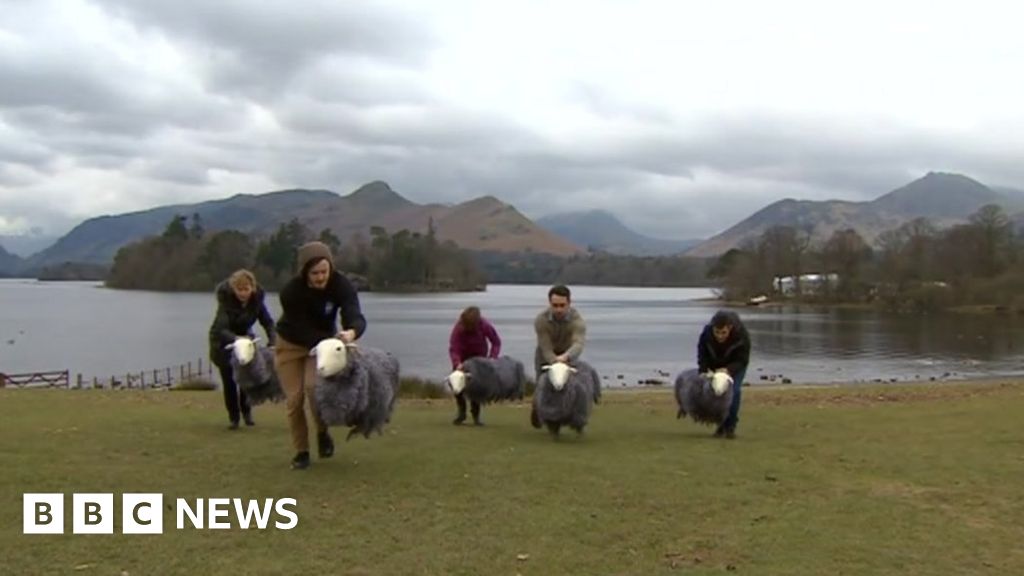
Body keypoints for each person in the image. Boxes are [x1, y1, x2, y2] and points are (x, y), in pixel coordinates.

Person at [274, 241, 367, 470]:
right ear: (305, 272)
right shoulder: (290, 292)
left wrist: (351, 332)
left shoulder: (341, 284)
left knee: (314, 390)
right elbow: (299, 328)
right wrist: (328, 340)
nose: (320, 277)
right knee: (295, 400)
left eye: (324, 271)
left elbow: (354, 313)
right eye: (315, 273)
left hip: (322, 346)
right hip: (291, 344)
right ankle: (301, 452)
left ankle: (323, 432)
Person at [207, 269, 275, 430]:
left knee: (246, 381)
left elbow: (268, 322)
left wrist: (273, 339)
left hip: (245, 343)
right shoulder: (226, 302)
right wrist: (236, 339)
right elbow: (220, 329)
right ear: (233, 289)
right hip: (223, 343)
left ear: (253, 288)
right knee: (229, 381)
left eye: (246, 289)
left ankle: (247, 413)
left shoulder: (257, 301)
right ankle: (234, 417)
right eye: (239, 289)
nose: (243, 293)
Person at [531, 284, 586, 427]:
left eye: (562, 305)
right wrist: (554, 362)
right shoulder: (541, 320)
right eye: (555, 305)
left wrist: (566, 357)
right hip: (546, 354)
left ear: (569, 303)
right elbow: (545, 346)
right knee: (542, 384)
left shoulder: (577, 321)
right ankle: (538, 409)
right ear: (550, 303)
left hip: (568, 354)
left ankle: (570, 416)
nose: (558, 309)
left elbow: (578, 344)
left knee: (571, 385)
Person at [696, 309, 751, 439]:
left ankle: (730, 427)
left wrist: (729, 370)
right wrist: (703, 371)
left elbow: (742, 359)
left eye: (723, 333)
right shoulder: (706, 334)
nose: (720, 336)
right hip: (714, 366)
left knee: (734, 392)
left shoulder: (742, 336)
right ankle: (721, 426)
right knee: (716, 395)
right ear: (712, 328)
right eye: (717, 332)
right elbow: (702, 355)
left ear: (730, 328)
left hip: (735, 366)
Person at [448, 306, 502, 425]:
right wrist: (457, 363)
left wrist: (492, 358)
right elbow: (454, 348)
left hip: (479, 360)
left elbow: (496, 342)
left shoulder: (484, 325)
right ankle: (462, 412)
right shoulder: (458, 328)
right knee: (456, 385)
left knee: (477, 388)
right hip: (462, 360)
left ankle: (476, 416)